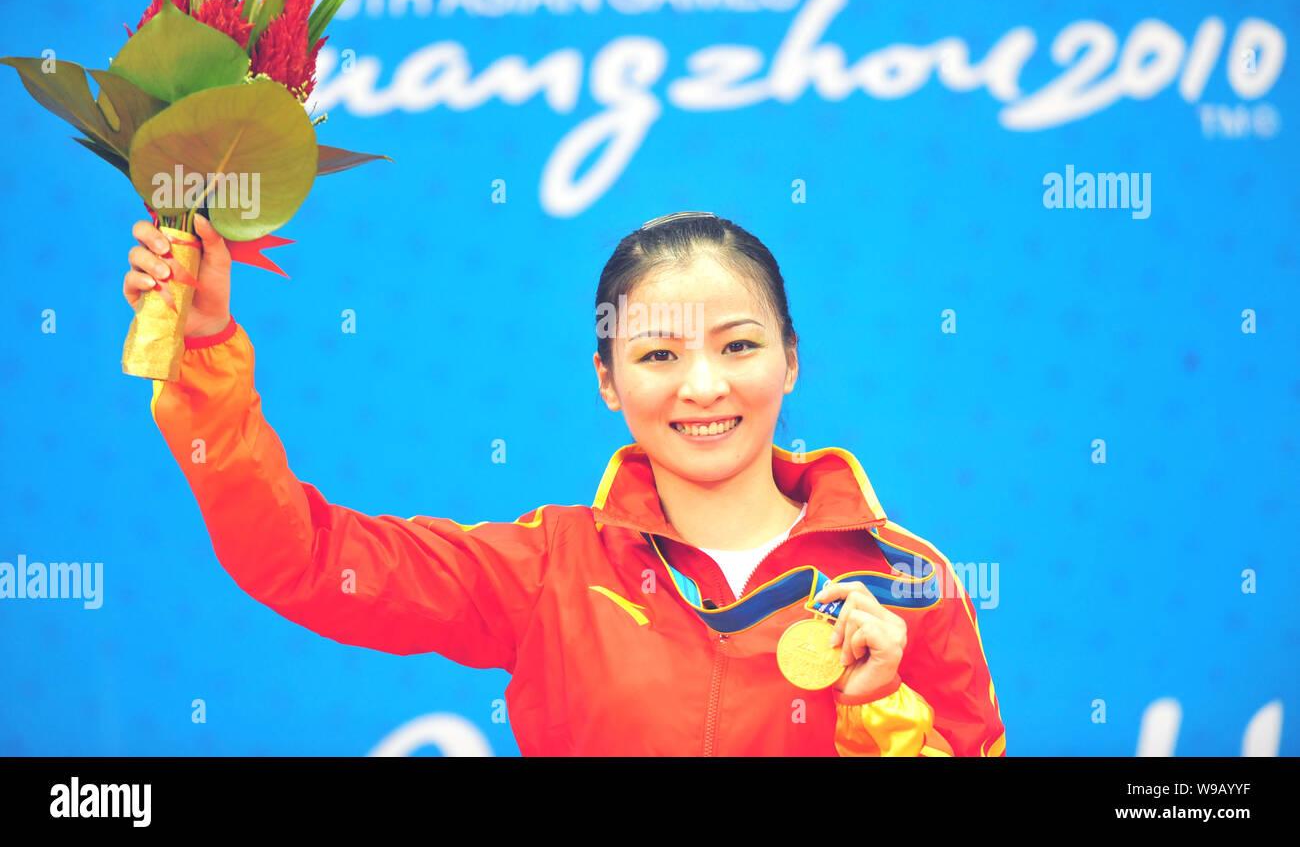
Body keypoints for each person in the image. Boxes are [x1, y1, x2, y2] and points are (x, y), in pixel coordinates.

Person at [124, 209, 1006, 756]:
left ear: (791, 361)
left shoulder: (907, 584)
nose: (702, 386)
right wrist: (204, 349)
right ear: (607, 382)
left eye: (738, 345)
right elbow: (304, 559)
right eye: (658, 355)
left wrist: (881, 712)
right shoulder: (549, 570)